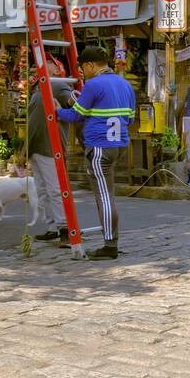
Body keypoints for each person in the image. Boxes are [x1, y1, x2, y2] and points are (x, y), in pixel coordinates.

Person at [57, 46, 135, 260]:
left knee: (104, 197)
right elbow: (130, 118)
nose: (83, 72)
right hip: (118, 145)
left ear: (91, 65)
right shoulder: (125, 84)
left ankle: (110, 245)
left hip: (99, 146)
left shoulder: (93, 85)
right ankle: (110, 242)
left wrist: (56, 110)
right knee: (107, 194)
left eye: (84, 67)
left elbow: (74, 116)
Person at [27, 77, 75, 246]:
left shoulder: (57, 84)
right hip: (35, 148)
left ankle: (64, 228)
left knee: (55, 189)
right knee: (42, 190)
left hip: (49, 147)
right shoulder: (36, 92)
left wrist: (71, 100)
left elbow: (71, 101)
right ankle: (53, 226)